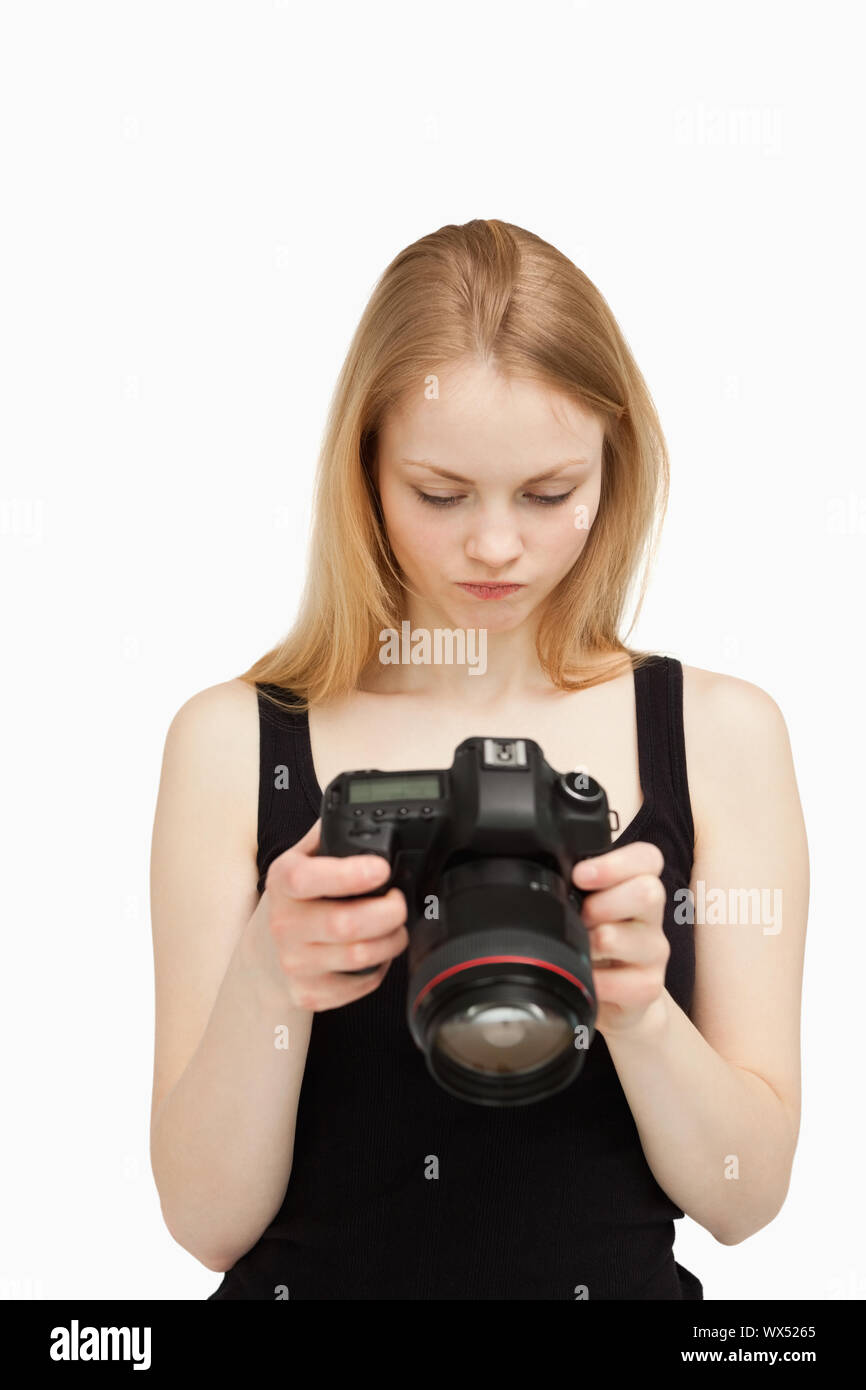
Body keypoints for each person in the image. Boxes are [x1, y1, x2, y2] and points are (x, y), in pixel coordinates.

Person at [148, 219, 809, 1300]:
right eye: (440, 494)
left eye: (548, 494)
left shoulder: (715, 735)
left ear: (614, 470)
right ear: (363, 472)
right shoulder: (233, 743)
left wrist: (639, 1010)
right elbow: (208, 1225)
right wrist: (269, 977)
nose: (495, 546)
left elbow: (744, 1198)